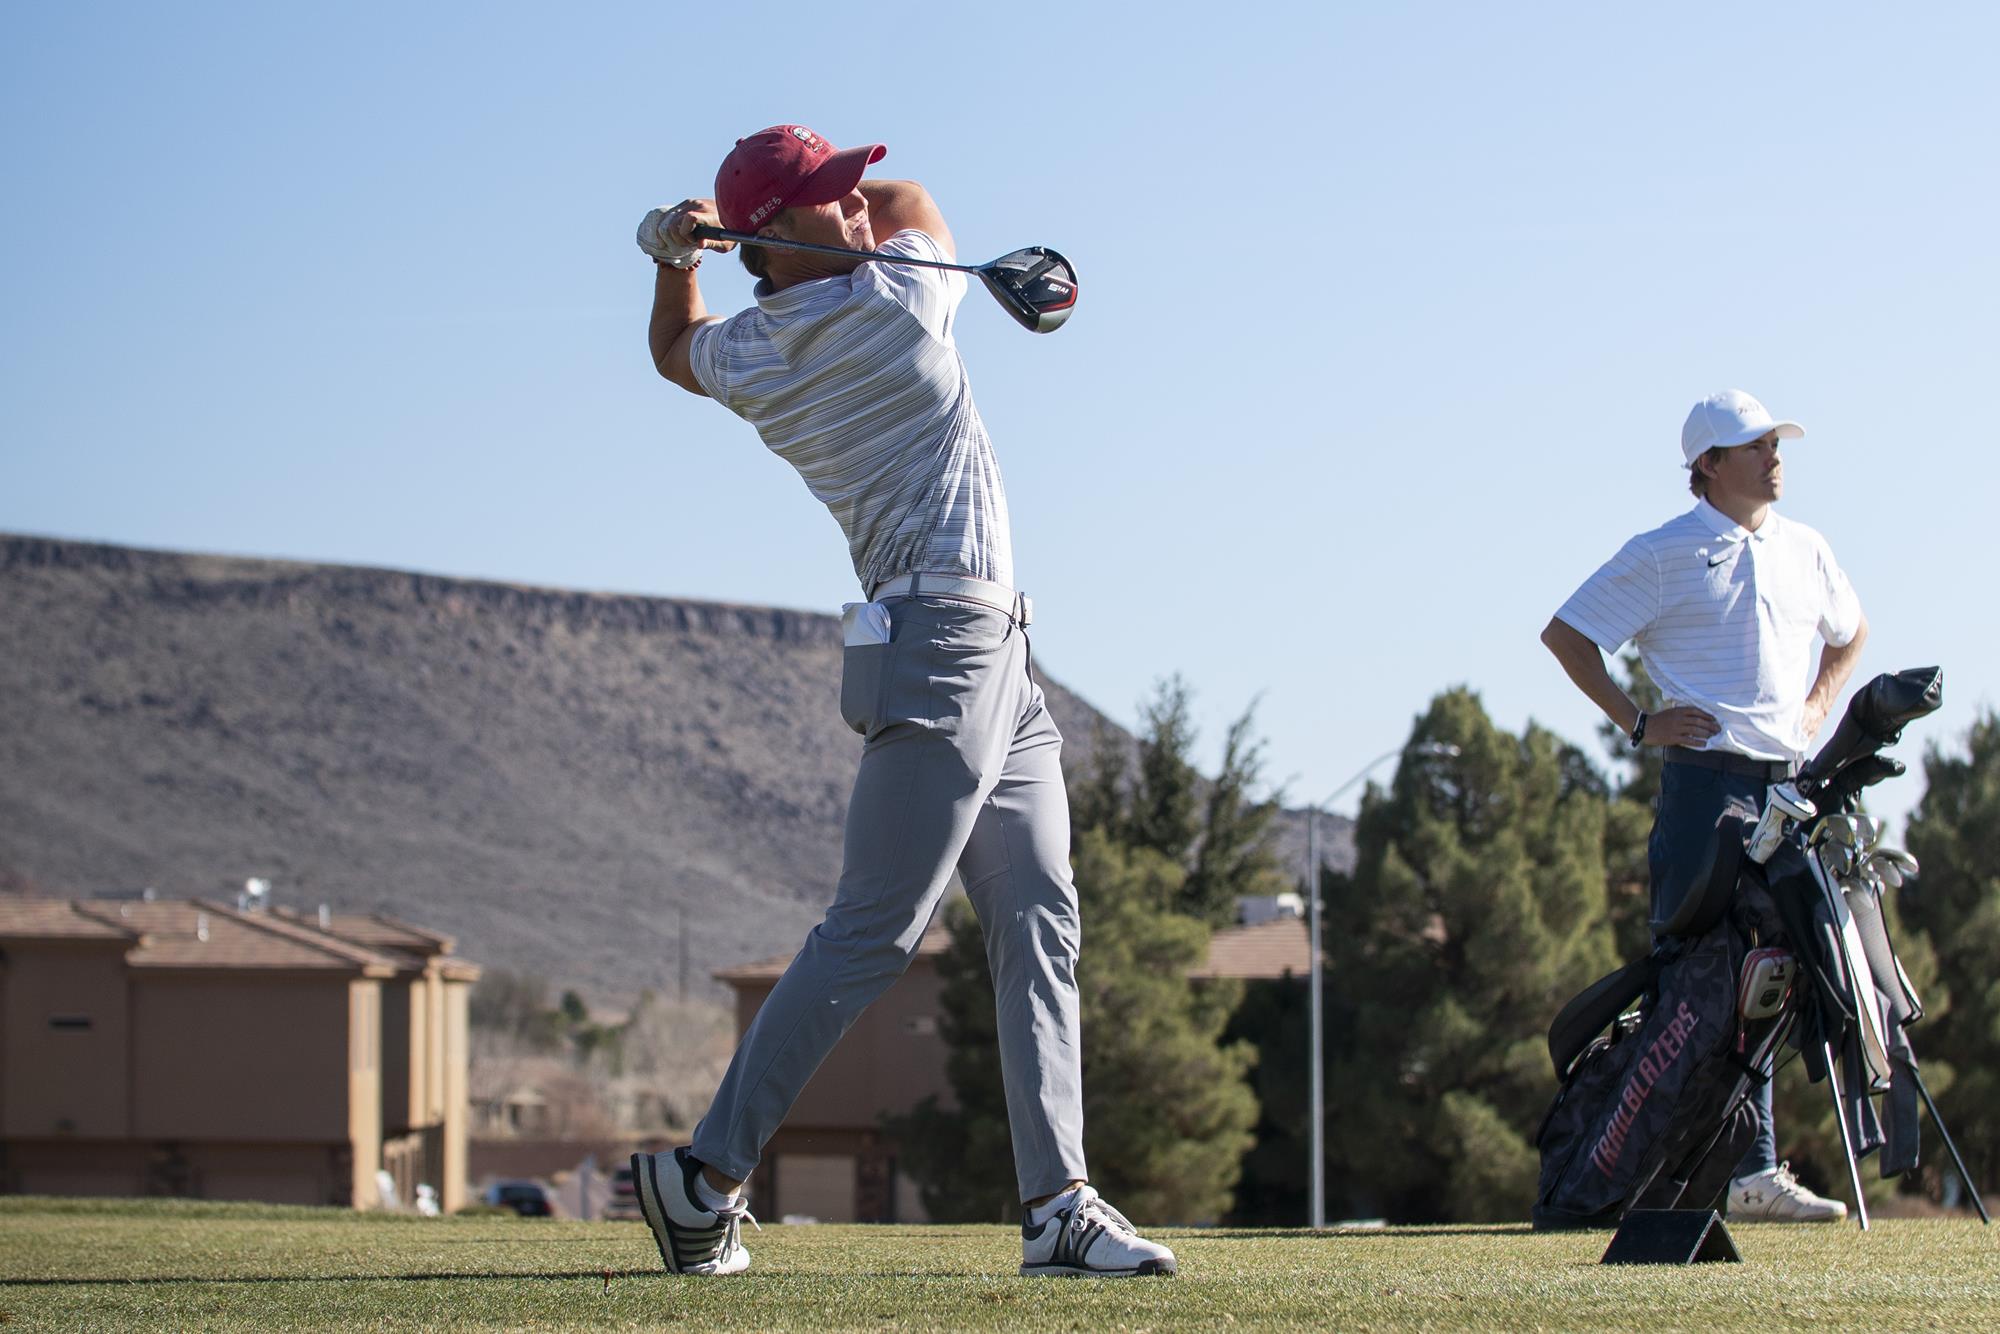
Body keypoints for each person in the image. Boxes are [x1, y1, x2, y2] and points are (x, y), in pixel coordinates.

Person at [628, 125, 1176, 1278]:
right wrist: (748, 226)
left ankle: (1058, 1206)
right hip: (943, 647)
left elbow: (675, 350)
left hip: (987, 654)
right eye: (832, 198)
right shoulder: (894, 301)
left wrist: (676, 251)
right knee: (873, 929)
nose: (861, 207)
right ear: (775, 235)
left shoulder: (756, 349)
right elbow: (919, 192)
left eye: (850, 187)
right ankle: (701, 1176)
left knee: (1039, 919)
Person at [1541, 388, 1868, 1223]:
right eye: (1755, 445)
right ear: (1709, 465)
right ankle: (1674, 1167)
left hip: (1785, 785)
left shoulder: (1806, 547)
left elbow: (1850, 631)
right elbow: (1568, 635)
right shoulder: (1664, 552)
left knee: (1775, 975)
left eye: (1775, 442)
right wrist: (1639, 722)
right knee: (1696, 977)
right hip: (1704, 789)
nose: (1774, 455)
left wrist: (1820, 702)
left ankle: (1750, 1172)